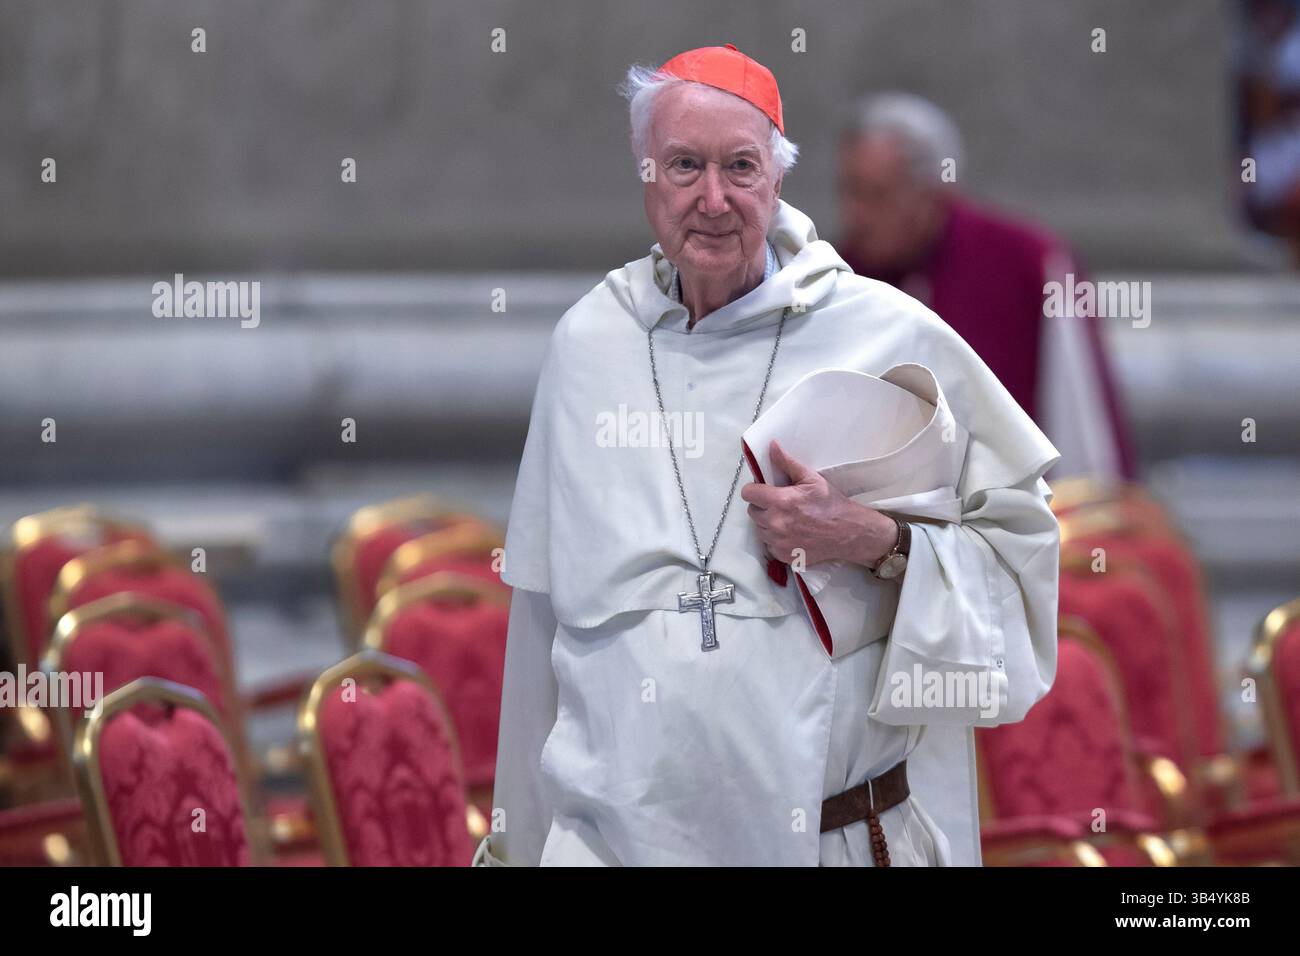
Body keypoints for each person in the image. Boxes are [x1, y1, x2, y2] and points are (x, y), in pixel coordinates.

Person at [474, 44, 1059, 867]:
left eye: (740, 167)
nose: (713, 200)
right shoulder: (587, 345)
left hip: (828, 842)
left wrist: (873, 540)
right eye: (684, 166)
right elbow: (539, 628)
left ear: (778, 179)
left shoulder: (884, 334)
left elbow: (1020, 564)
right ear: (647, 176)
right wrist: (516, 844)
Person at [836, 92, 1135, 481]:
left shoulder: (1031, 265)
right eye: (848, 191)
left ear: (931, 193)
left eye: (878, 195)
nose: (857, 215)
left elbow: (1081, 423)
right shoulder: (843, 278)